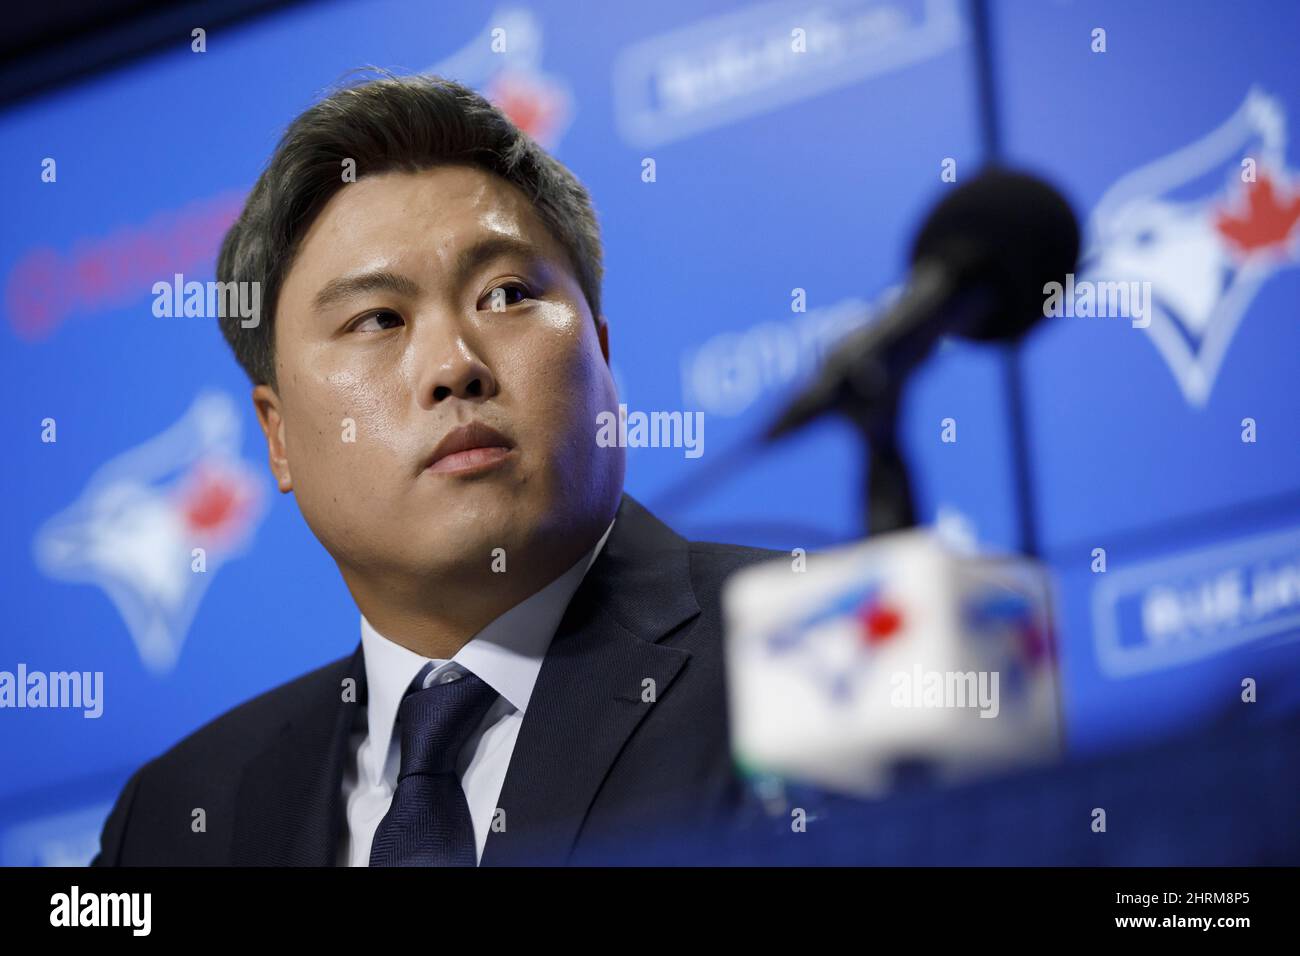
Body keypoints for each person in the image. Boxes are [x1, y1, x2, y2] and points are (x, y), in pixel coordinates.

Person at [91, 73, 781, 866]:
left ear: (602, 356)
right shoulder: (176, 817)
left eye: (506, 294)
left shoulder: (805, 655)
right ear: (277, 437)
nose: (454, 366)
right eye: (378, 318)